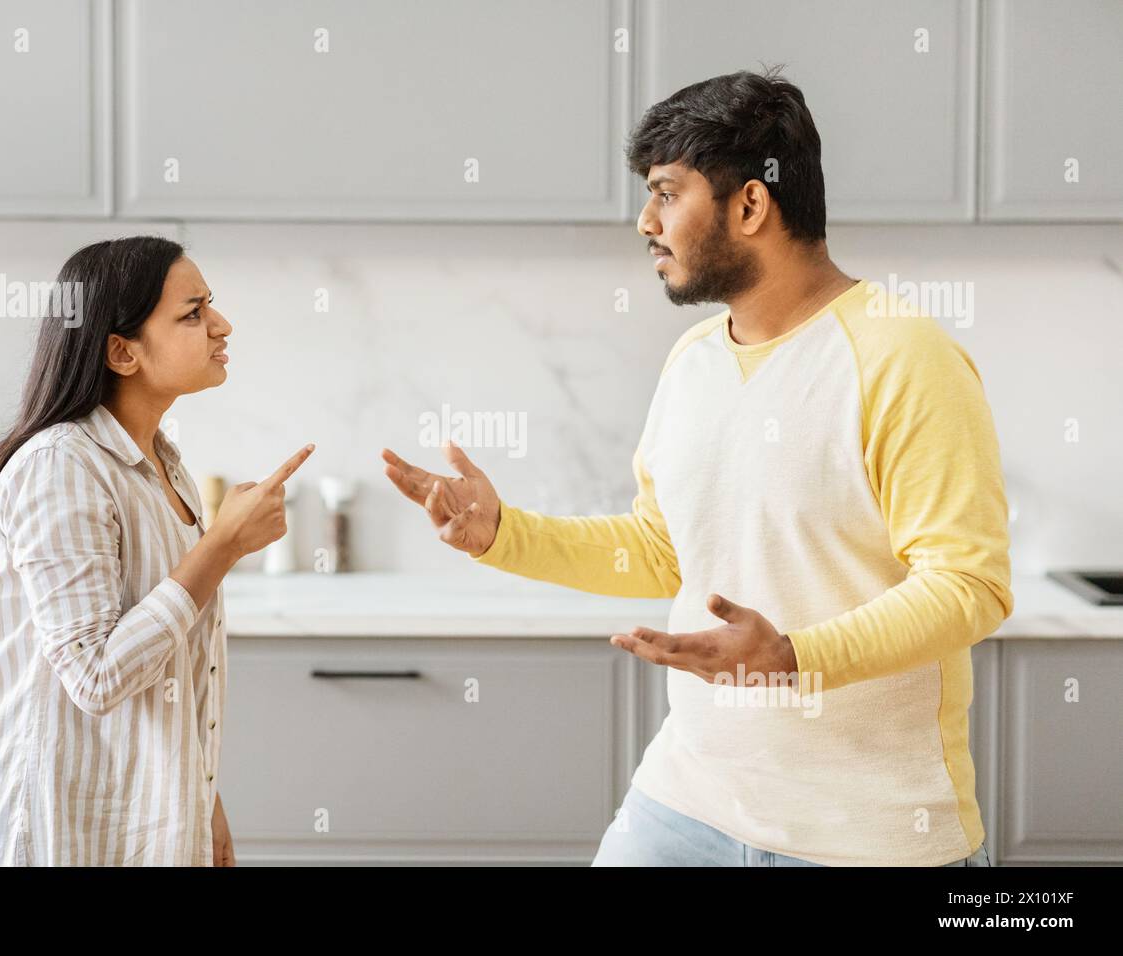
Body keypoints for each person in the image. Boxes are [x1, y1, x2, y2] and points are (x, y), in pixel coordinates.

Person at [382, 69, 1012, 867]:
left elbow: (970, 585)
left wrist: (792, 656)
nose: (646, 221)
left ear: (751, 204)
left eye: (667, 193)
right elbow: (660, 549)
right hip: (685, 806)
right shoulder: (692, 362)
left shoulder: (902, 356)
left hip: (868, 836)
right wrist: (503, 534)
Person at [0, 236, 313, 865]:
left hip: (140, 823)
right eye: (193, 313)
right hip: (46, 830)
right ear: (122, 351)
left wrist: (203, 802)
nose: (221, 325)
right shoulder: (60, 465)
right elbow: (96, 677)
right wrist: (222, 546)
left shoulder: (165, 469)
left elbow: (168, 671)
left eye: (210, 307)